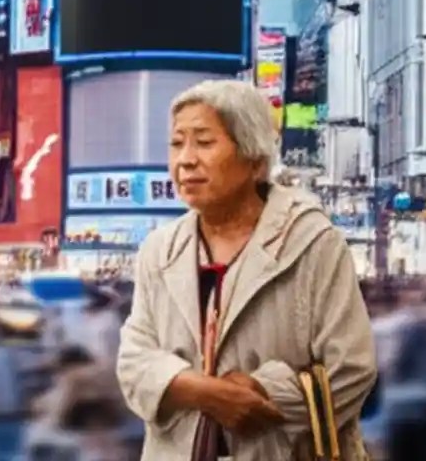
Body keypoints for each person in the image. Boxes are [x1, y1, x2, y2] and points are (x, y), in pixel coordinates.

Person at [117, 79, 377, 460]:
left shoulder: (311, 242)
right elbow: (134, 361)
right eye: (177, 143)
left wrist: (266, 394)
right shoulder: (160, 250)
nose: (186, 159)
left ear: (255, 160)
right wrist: (207, 393)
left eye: (204, 142)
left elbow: (352, 367)